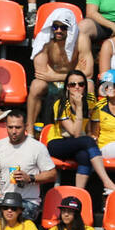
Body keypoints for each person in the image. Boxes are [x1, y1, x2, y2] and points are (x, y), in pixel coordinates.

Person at [0, 109, 56, 230]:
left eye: (18, 127)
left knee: (10, 222)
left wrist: (30, 178)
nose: (14, 131)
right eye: (10, 127)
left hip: (27, 201)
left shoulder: (37, 147)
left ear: (26, 127)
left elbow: (52, 174)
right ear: (6, 127)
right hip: (5, 199)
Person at [42, 70, 115, 196]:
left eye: (81, 84)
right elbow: (75, 133)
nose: (77, 87)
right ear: (67, 87)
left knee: (84, 155)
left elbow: (91, 128)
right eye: (72, 84)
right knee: (86, 141)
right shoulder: (60, 104)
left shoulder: (90, 102)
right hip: (57, 143)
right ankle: (106, 181)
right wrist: (79, 108)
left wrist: (92, 134)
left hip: (78, 143)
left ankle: (78, 194)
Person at [27, 12, 91, 140]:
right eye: (55, 27)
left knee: (90, 84)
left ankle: (87, 130)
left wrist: (55, 76)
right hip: (59, 81)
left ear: (71, 28)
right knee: (36, 85)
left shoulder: (81, 40)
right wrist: (72, 73)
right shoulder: (45, 39)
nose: (59, 30)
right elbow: (41, 74)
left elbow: (88, 72)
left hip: (72, 82)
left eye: (64, 27)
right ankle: (29, 130)